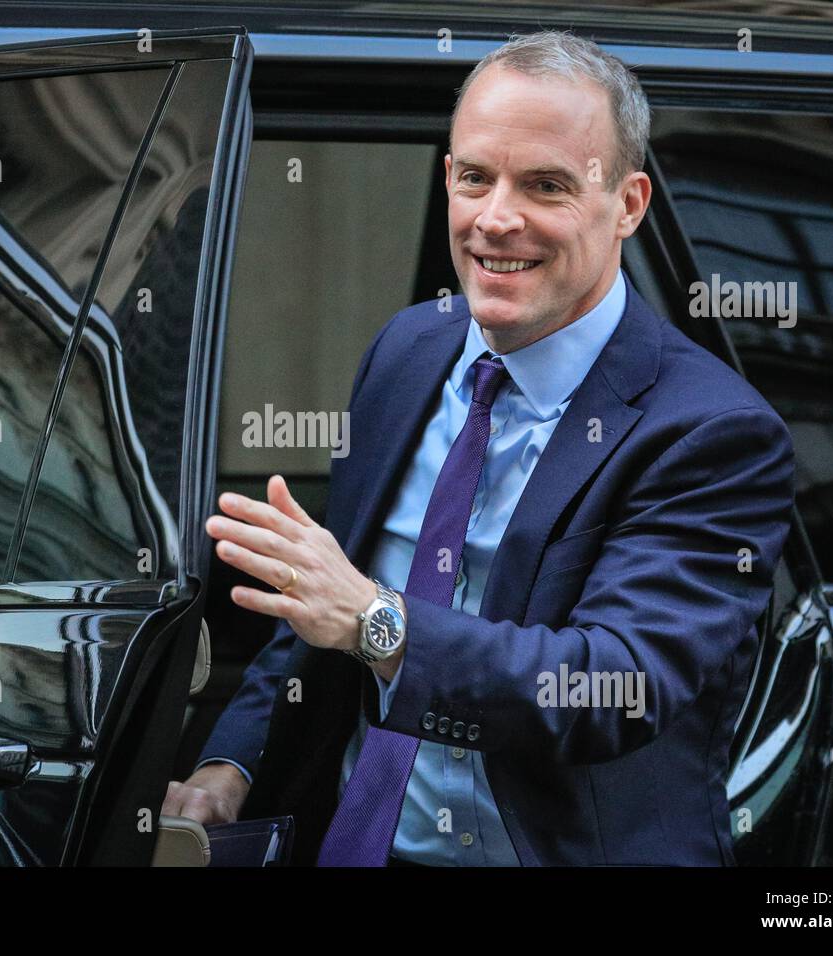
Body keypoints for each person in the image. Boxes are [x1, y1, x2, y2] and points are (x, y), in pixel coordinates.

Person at [161, 29, 794, 866]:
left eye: (546, 185)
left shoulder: (713, 432)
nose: (498, 219)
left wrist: (379, 623)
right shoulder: (408, 349)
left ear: (628, 204)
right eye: (474, 177)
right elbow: (326, 607)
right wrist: (230, 763)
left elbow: (609, 685)